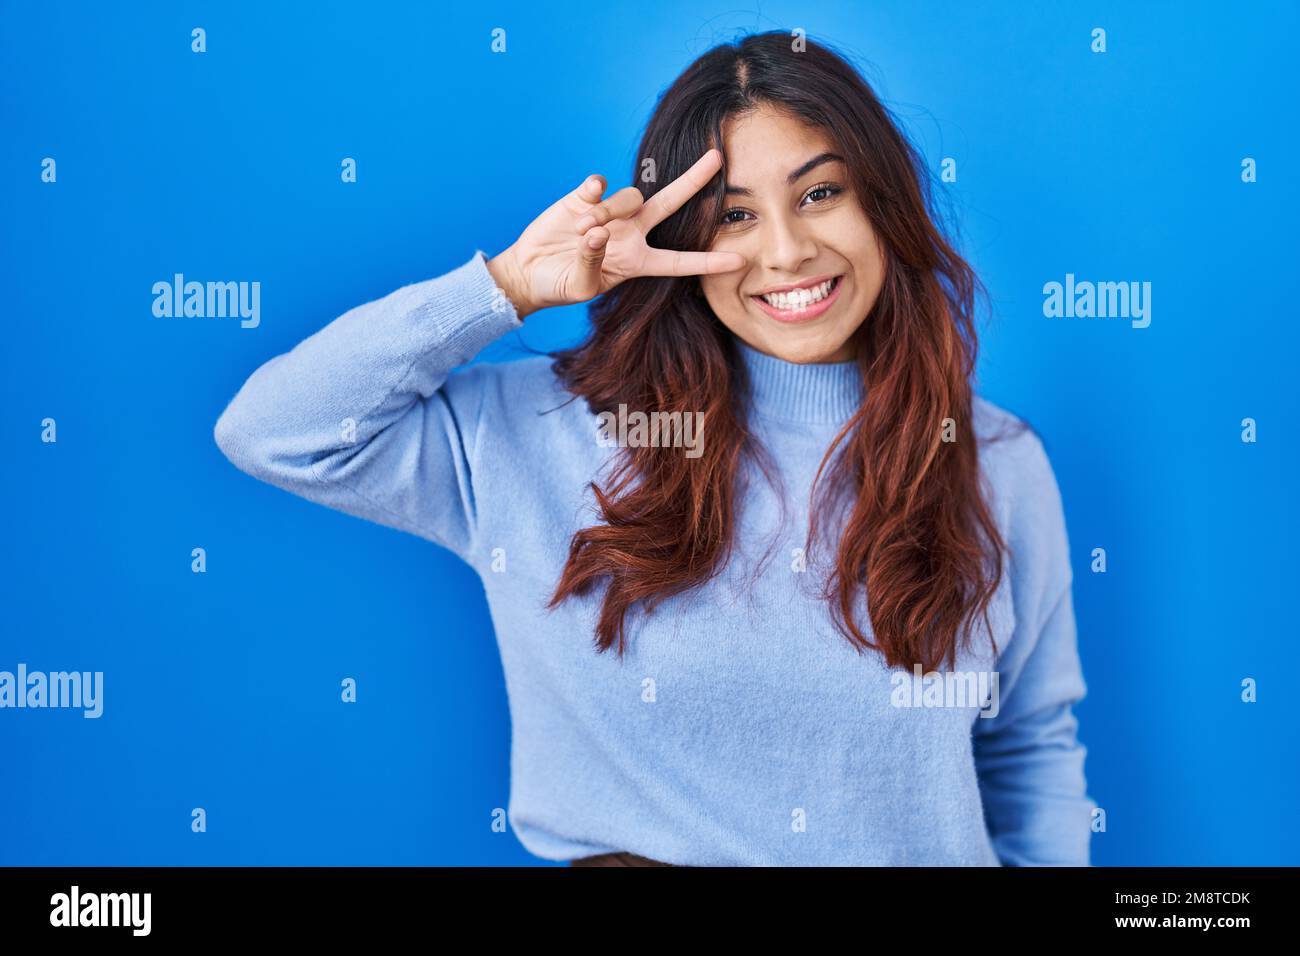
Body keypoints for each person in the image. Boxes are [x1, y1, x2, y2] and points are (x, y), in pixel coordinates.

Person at [214, 31, 1093, 866]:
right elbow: (272, 432)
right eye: (734, 214)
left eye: (820, 193)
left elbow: (1027, 749)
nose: (787, 252)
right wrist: (505, 288)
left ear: (883, 205)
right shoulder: (539, 432)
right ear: (681, 241)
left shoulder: (996, 459)